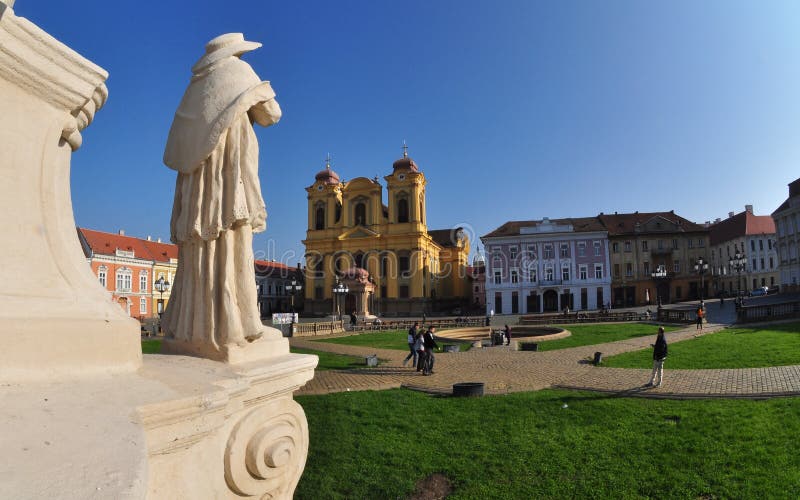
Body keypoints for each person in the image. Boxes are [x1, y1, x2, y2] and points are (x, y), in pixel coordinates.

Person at [162, 33, 281, 353]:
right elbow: (272, 115)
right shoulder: (240, 73)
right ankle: (235, 326)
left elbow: (178, 150)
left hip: (199, 192)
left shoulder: (194, 88)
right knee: (232, 244)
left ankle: (193, 328)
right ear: (236, 54)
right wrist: (257, 89)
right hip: (228, 181)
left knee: (198, 251)